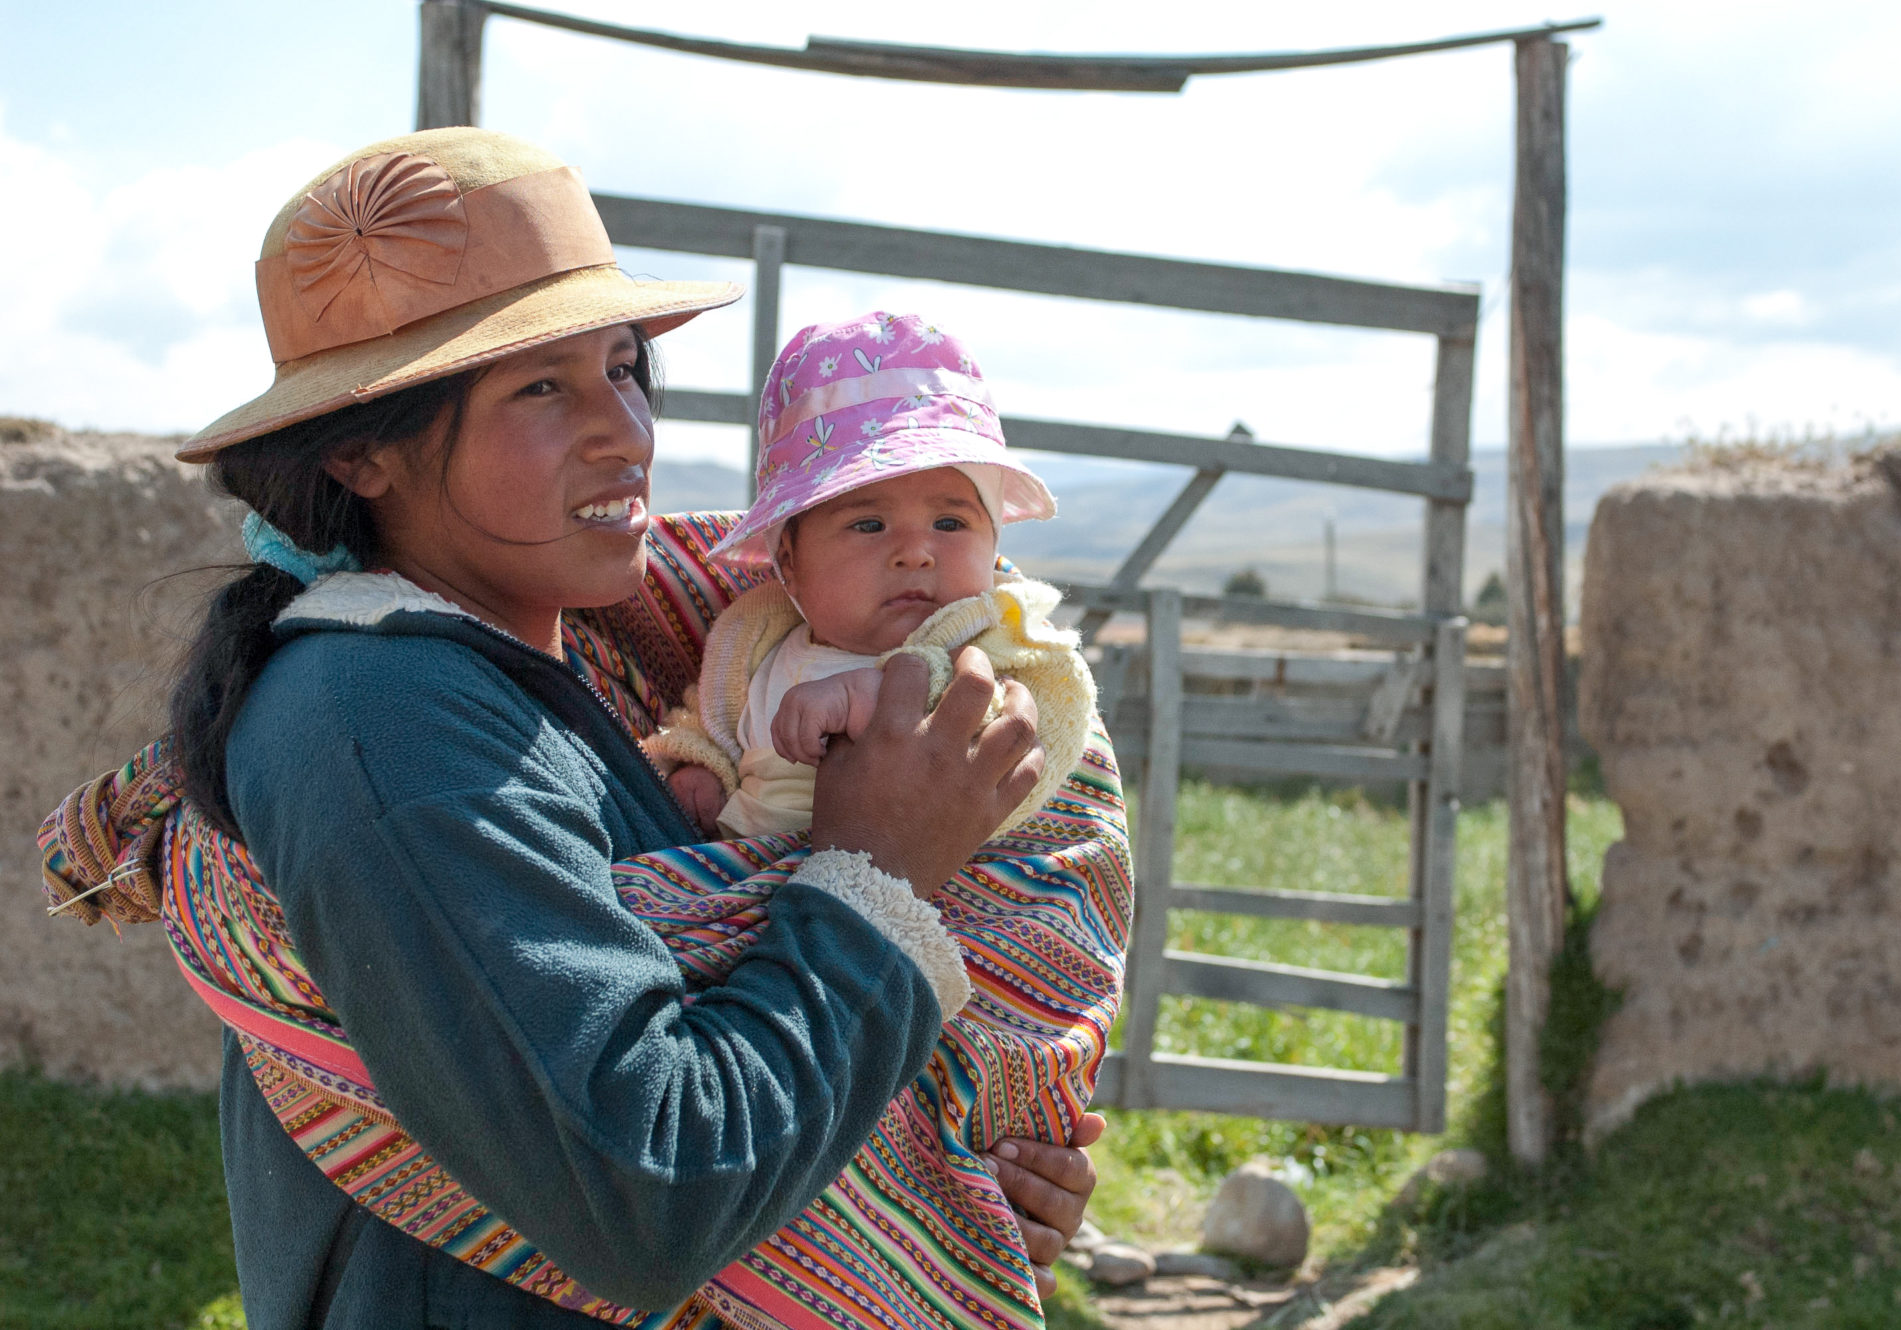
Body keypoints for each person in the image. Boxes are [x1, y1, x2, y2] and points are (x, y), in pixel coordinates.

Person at [35, 127, 1119, 1329]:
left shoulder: (597, 666)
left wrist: (929, 1170)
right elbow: (643, 1190)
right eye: (540, 386)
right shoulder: (381, 730)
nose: (621, 429)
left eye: (621, 366)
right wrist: (876, 874)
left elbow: (722, 1037)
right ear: (361, 452)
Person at [649, 311, 1095, 845]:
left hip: (922, 877)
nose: (914, 553)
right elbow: (710, 723)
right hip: (750, 876)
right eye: (869, 524)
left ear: (993, 541)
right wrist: (701, 769)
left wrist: (874, 699)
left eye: (949, 523)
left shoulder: (989, 636)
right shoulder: (756, 640)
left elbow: (1031, 718)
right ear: (789, 561)